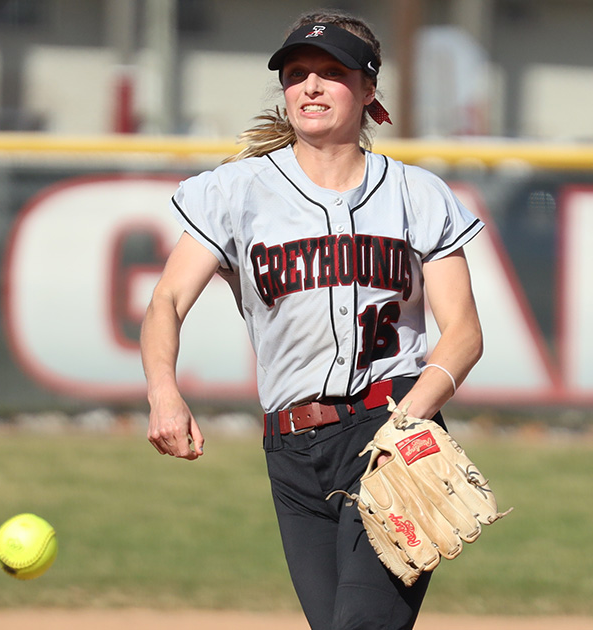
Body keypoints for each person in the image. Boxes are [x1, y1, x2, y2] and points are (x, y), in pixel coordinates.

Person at [141, 9, 485, 630]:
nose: (312, 87)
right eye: (297, 74)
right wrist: (164, 393)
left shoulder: (416, 194)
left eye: (333, 72)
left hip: (390, 430)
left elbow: (462, 332)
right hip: (290, 448)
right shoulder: (235, 192)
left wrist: (408, 425)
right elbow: (165, 301)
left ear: (369, 89)